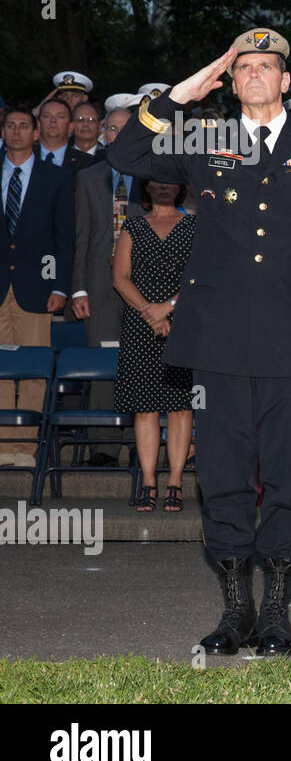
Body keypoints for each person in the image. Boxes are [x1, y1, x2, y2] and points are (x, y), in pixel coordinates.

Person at [108, 27, 291, 656]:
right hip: (216, 342)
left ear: (284, 80)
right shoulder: (203, 139)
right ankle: (234, 609)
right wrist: (176, 97)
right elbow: (126, 155)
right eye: (242, 66)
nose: (253, 74)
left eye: (265, 65)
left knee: (282, 477)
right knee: (219, 476)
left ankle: (275, 609)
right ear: (230, 77)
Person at [111, 181, 196, 512]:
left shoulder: (194, 226)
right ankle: (148, 482)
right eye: (156, 182)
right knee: (145, 408)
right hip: (139, 324)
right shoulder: (133, 225)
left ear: (179, 188)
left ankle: (175, 482)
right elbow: (120, 278)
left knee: (179, 407)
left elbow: (200, 277)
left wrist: (169, 308)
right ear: (147, 188)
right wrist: (152, 313)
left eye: (169, 182)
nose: (163, 187)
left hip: (184, 323)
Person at [0, 106, 75, 467]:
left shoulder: (55, 178)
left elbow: (65, 239)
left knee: (33, 370)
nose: (16, 131)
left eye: (23, 126)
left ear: (34, 133)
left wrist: (61, 287)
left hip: (37, 289)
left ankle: (25, 450)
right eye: (10, 125)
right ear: (3, 131)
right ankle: (2, 448)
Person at [71, 132, 145, 465]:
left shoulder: (152, 174)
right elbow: (81, 235)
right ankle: (103, 445)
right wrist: (79, 288)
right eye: (112, 129)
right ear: (105, 134)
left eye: (124, 129)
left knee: (142, 365)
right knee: (103, 365)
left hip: (144, 287)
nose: (118, 135)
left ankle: (138, 443)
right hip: (99, 287)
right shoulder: (88, 178)